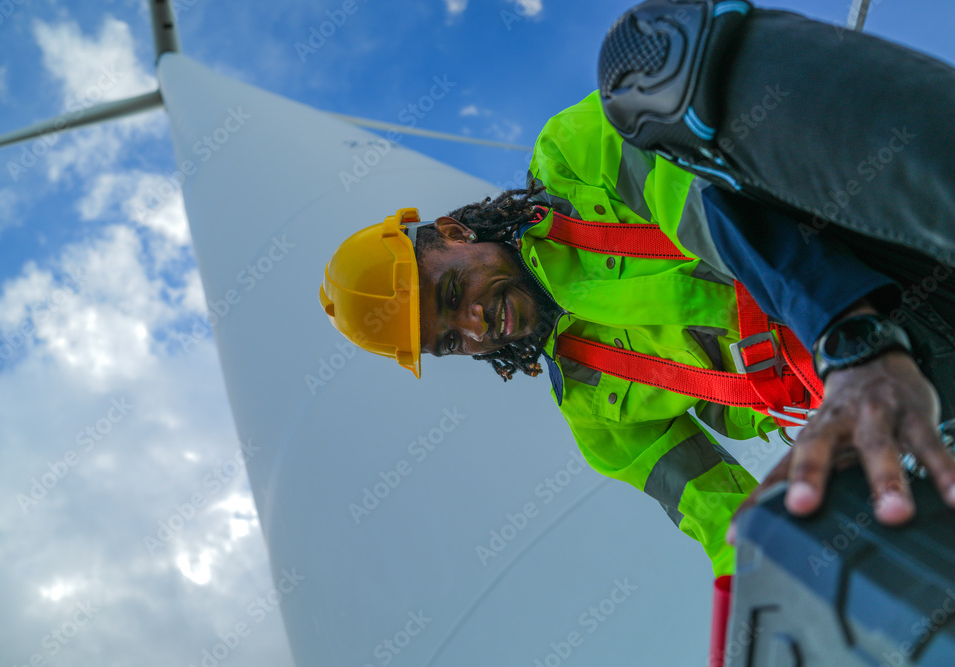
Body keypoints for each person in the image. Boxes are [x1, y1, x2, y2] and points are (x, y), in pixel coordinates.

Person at [319, 3, 955, 576]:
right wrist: (760, 598)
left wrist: (849, 338)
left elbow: (700, 205)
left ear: (456, 232)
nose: (476, 325)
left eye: (452, 293)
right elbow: (725, 521)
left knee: (648, 66)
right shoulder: (592, 414)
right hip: (916, 395)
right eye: (451, 340)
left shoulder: (568, 166)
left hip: (889, 253)